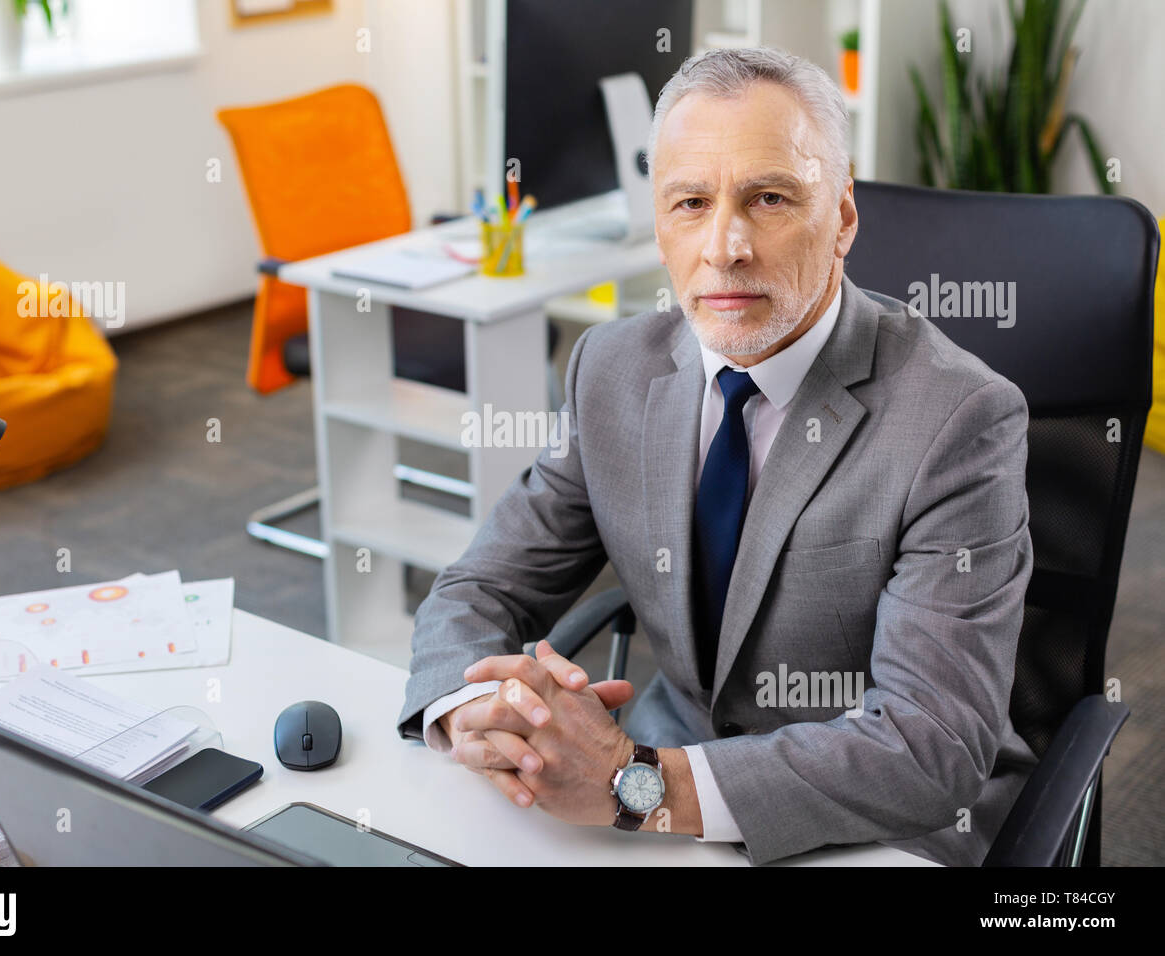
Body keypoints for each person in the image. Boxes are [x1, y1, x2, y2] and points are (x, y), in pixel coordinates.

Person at [396, 46, 1038, 867]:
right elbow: (481, 586)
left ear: (841, 218)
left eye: (769, 198)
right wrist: (475, 709)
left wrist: (641, 785)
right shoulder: (611, 370)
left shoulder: (959, 418)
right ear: (659, 224)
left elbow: (929, 745)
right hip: (665, 767)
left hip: (883, 826)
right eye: (691, 202)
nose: (725, 246)